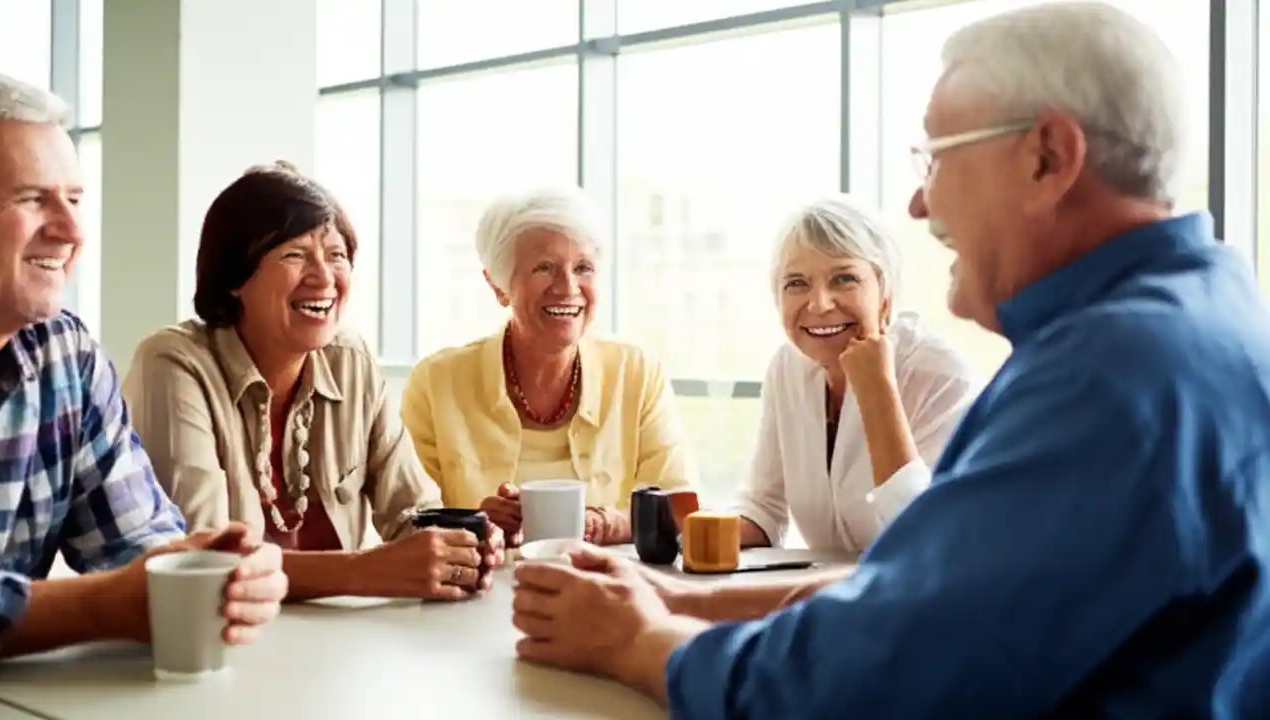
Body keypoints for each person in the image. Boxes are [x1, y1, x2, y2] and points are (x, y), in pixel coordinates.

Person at [509, 4, 1270, 717]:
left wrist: (637, 642)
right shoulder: (1196, 315)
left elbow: (867, 681)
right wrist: (677, 598)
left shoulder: (1109, 374)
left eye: (936, 158)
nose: (918, 204)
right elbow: (929, 589)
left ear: (1048, 157)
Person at [0, 73, 286, 660]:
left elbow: (135, 542)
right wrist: (101, 605)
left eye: (75, 200)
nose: (72, 231)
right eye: (32, 199)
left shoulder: (65, 357)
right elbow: (119, 596)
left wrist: (207, 573)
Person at [123, 163, 502, 601]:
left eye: (336, 255)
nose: (324, 277)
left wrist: (458, 546)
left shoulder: (350, 361)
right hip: (221, 633)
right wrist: (364, 571)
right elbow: (198, 561)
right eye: (295, 255)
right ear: (233, 276)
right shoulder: (173, 365)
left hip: (339, 637)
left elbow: (412, 511)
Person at [401, 186, 696, 547]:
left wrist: (604, 523)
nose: (568, 287)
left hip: (609, 578)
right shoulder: (436, 382)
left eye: (583, 268)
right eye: (544, 268)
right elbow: (408, 520)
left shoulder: (638, 373)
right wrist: (475, 525)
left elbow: (679, 507)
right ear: (498, 285)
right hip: (482, 580)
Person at [735, 193, 976, 551]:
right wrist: (678, 537)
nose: (819, 304)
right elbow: (763, 508)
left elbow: (924, 537)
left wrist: (877, 387)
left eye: (844, 278)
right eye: (796, 283)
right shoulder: (788, 367)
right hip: (829, 584)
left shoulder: (941, 376)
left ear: (884, 295)